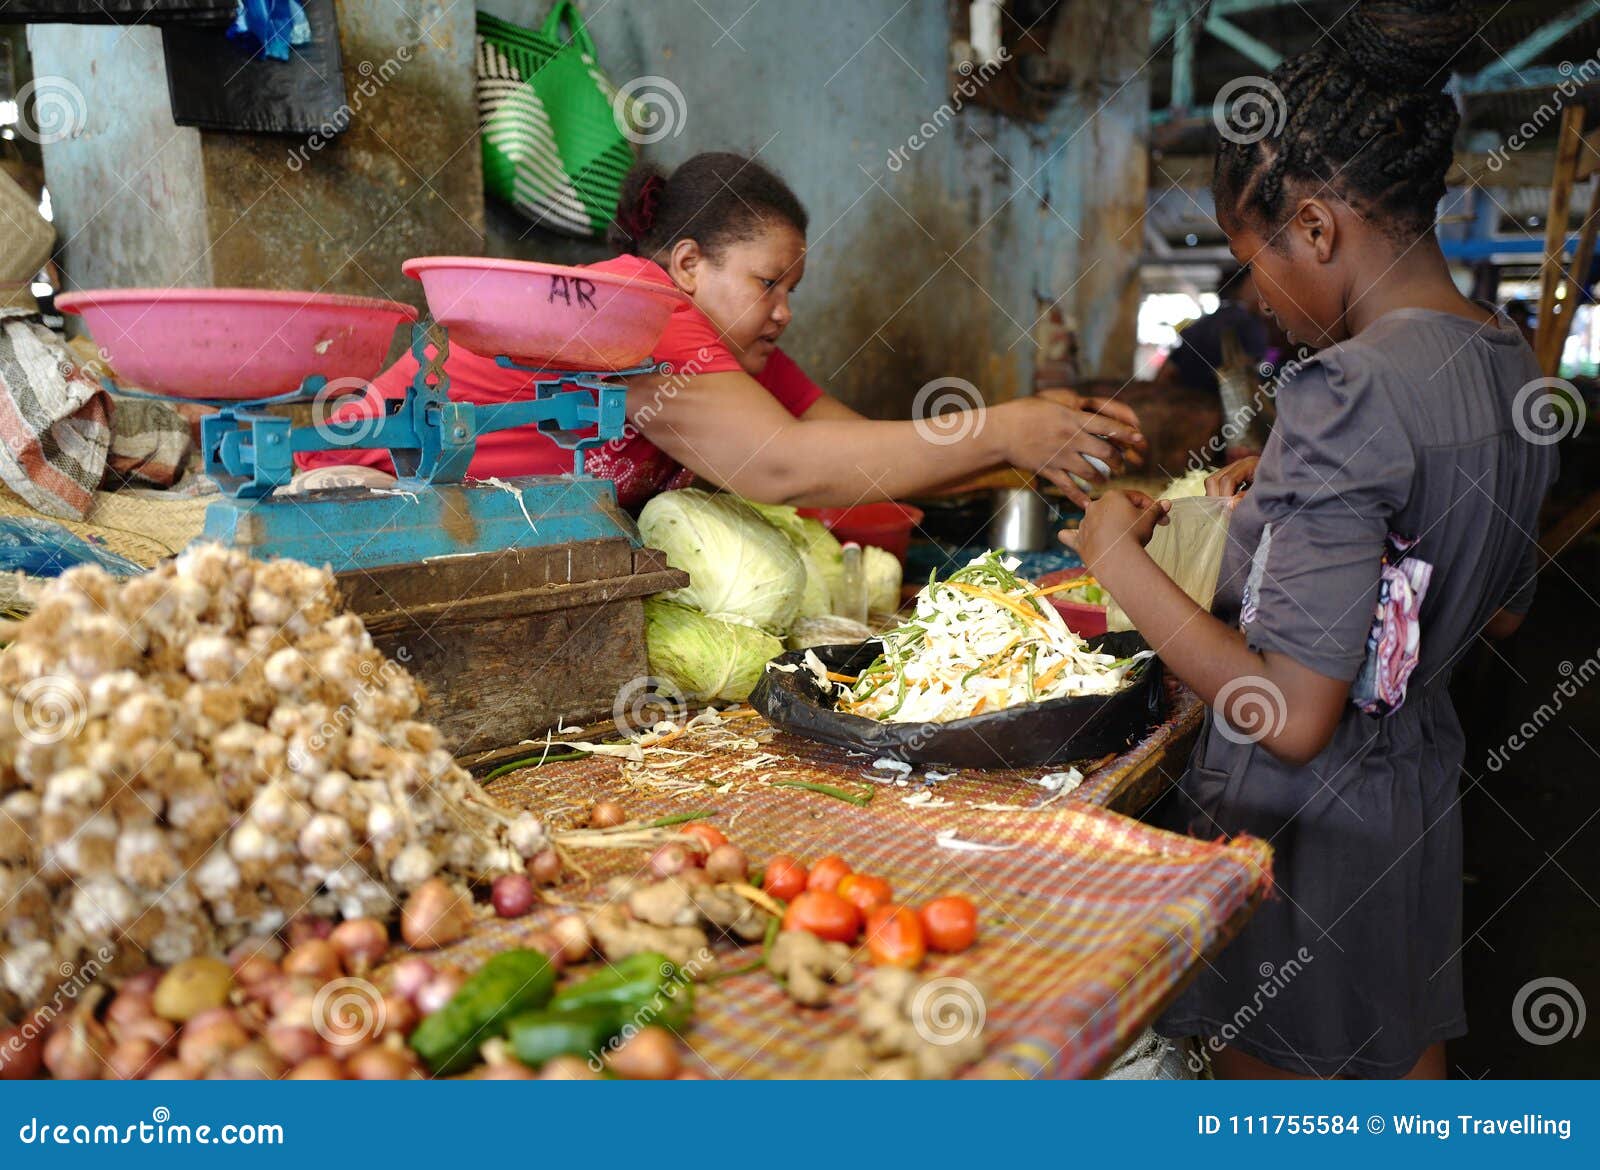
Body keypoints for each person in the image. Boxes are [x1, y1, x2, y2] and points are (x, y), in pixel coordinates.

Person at [1063, 0, 1556, 1079]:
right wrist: (1286, 515)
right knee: (1398, 1078)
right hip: (1414, 801)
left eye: (1253, 256)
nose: (1259, 301)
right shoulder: (1507, 364)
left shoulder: (1343, 389)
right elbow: (1492, 600)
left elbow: (1287, 714)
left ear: (1320, 228)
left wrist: (1115, 556)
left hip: (1300, 835)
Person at [300, 152, 1143, 507]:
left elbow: (850, 454)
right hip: (351, 511)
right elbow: (780, 468)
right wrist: (1008, 427)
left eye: (792, 288)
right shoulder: (634, 309)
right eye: (768, 282)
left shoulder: (725, 351)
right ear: (689, 263)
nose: (784, 310)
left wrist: (1020, 449)